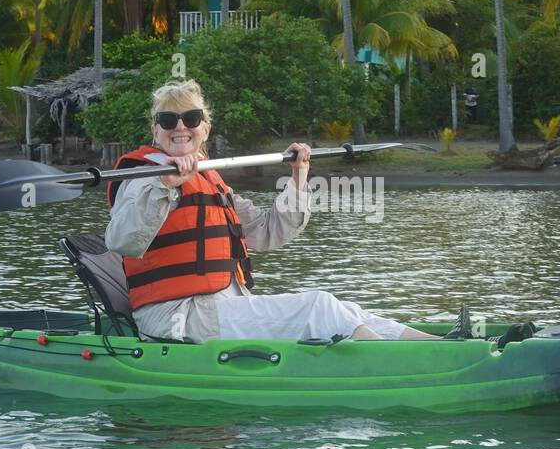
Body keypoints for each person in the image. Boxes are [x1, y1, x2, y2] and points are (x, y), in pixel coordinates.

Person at [104, 79, 456, 344]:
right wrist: (164, 184)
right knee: (318, 307)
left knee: (343, 308)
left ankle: (441, 347)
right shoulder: (143, 177)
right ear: (156, 131)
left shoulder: (212, 182)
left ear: (205, 128)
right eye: (168, 120)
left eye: (191, 117)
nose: (180, 126)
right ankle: (406, 365)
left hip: (219, 307)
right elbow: (122, 239)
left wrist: (298, 178)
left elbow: (268, 233)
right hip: (177, 316)